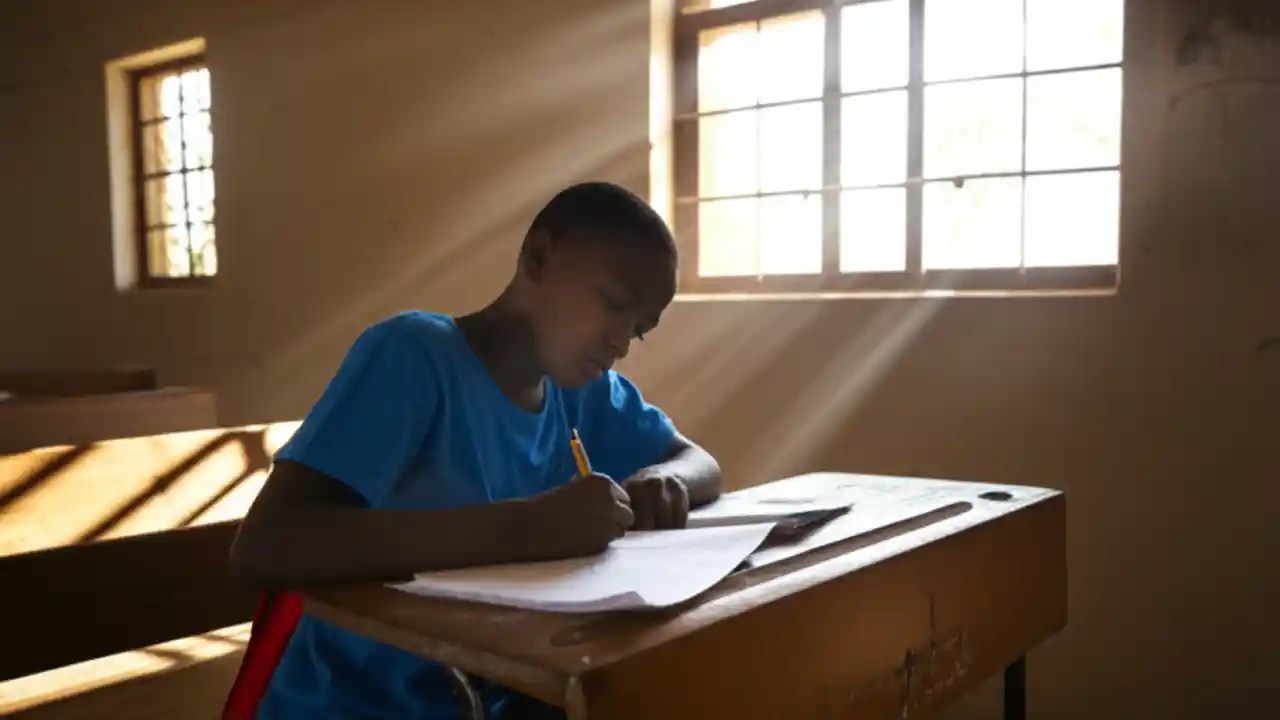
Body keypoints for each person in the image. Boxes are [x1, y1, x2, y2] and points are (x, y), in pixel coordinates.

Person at [229, 181, 723, 718]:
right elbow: (266, 545)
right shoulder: (414, 357)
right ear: (538, 258)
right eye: (614, 304)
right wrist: (528, 528)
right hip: (359, 703)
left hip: (493, 691)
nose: (620, 342)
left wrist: (663, 480)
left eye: (640, 331)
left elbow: (700, 463)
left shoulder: (584, 392)